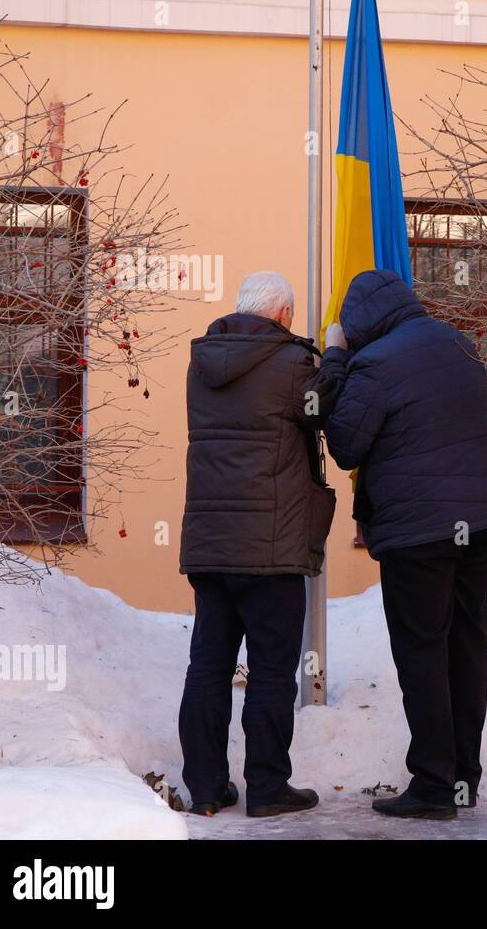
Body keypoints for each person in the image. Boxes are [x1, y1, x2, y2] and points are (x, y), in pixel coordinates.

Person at [324, 268, 487, 820]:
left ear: (359, 323)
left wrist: (335, 359)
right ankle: (462, 779)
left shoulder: (374, 365)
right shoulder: (460, 342)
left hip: (420, 534)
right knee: (467, 646)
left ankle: (432, 785)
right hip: (482, 524)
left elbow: (345, 445)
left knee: (423, 651)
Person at [178, 270, 349, 818]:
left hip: (210, 544)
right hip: (270, 550)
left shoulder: (201, 365)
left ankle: (205, 788)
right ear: (282, 316)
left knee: (207, 666)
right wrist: (338, 358)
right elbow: (317, 410)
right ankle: (268, 788)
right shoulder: (292, 363)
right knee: (273, 671)